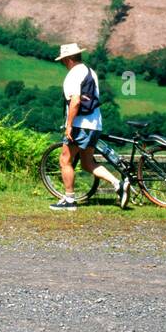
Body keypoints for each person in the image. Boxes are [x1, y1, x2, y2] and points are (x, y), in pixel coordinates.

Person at [50, 43, 127, 210]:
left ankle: (69, 200)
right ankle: (117, 184)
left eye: (63, 60)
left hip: (80, 124)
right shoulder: (90, 71)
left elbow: (75, 102)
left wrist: (69, 126)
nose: (63, 63)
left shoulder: (73, 75)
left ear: (68, 59)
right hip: (95, 123)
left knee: (65, 160)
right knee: (86, 163)